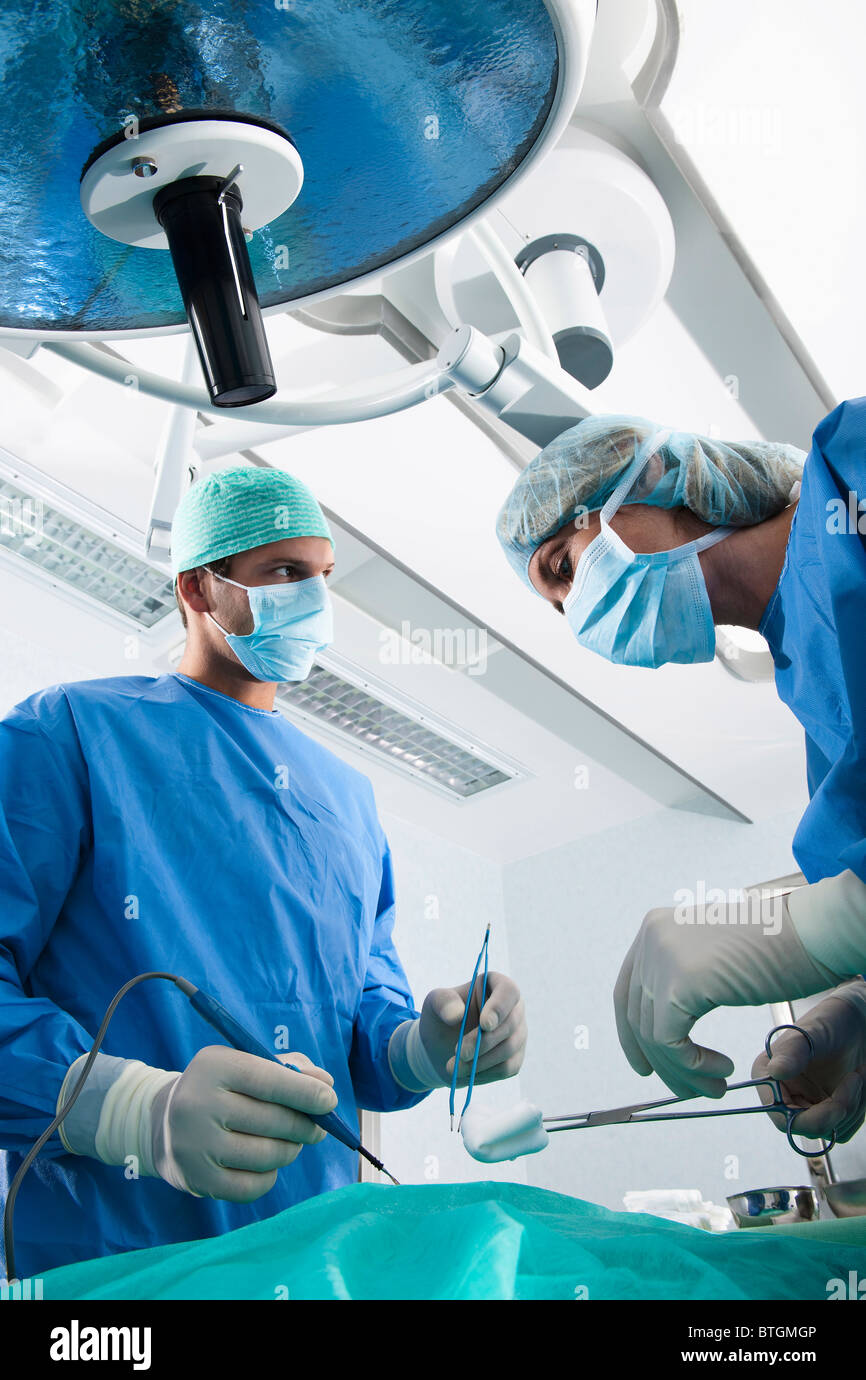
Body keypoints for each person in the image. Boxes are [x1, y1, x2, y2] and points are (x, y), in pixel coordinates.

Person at [0, 464, 527, 1278]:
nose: (313, 597)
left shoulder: (348, 803)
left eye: (322, 575)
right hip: (116, 1266)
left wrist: (428, 1045)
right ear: (199, 590)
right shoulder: (67, 734)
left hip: (310, 1259)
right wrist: (138, 1112)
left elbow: (363, 1025)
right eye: (283, 573)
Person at [496, 408, 866, 1139]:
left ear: (652, 477)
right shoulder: (817, 702)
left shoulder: (850, 475)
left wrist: (829, 928)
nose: (578, 613)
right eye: (561, 608)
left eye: (564, 568)